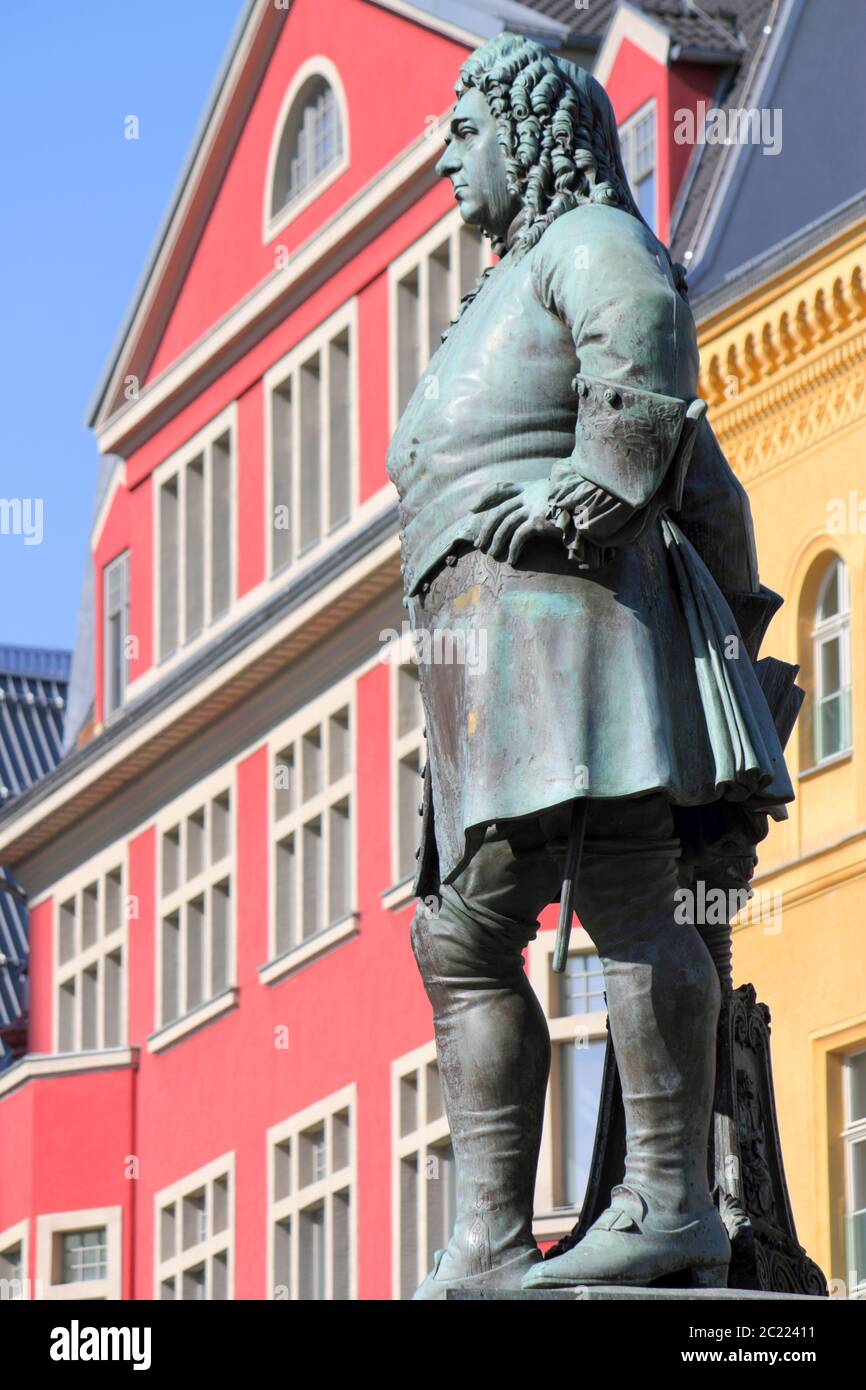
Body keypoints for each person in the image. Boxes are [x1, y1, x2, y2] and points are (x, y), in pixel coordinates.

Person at [386, 31, 793, 1299]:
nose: (448, 160)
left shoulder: (586, 240)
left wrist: (593, 491)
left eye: (465, 134)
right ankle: (491, 1241)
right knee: (459, 934)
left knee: (626, 887)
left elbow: (646, 349)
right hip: (488, 655)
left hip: (573, 617)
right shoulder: (503, 283)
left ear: (530, 135)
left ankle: (669, 1200)